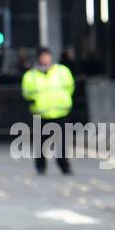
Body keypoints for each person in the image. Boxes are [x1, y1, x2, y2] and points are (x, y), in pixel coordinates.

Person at [21, 46, 75, 174]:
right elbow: (27, 93)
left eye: (47, 56)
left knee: (61, 143)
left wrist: (64, 100)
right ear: (39, 58)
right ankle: (41, 167)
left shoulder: (62, 71)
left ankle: (64, 166)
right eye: (43, 56)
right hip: (41, 113)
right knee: (40, 143)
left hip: (60, 112)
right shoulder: (31, 75)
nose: (46, 59)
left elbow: (70, 87)